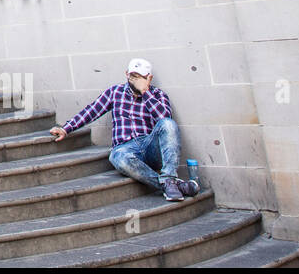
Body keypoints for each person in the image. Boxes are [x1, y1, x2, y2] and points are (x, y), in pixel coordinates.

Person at [50, 58, 201, 202]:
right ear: (126, 74)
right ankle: (171, 184)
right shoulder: (115, 92)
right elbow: (91, 111)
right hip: (125, 149)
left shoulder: (158, 95)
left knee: (168, 124)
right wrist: (66, 129)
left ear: (149, 78)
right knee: (118, 157)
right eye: (132, 76)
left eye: (139, 77)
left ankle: (169, 179)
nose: (134, 80)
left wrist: (145, 92)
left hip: (149, 145)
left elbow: (165, 120)